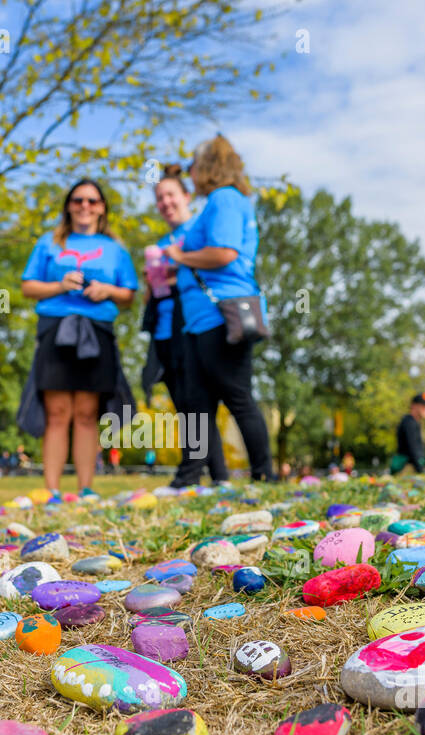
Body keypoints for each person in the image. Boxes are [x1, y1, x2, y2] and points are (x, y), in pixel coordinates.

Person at [19, 179, 138, 503]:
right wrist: (59, 285)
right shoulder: (48, 243)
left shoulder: (116, 249)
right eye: (78, 200)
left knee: (87, 413)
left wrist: (107, 291)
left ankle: (86, 490)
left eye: (92, 201)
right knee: (57, 412)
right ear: (68, 206)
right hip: (56, 329)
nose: (85, 206)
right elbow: (27, 287)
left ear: (102, 208)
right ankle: (52, 491)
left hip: (97, 331)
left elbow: (129, 294)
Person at [164, 136, 275, 482]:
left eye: (193, 168)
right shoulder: (217, 201)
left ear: (207, 167)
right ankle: (192, 478)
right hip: (199, 321)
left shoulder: (224, 198)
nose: (190, 176)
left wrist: (181, 257)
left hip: (221, 315)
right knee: (197, 404)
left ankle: (263, 476)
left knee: (237, 395)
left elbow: (224, 253)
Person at [139, 164, 229, 488]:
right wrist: (152, 283)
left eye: (170, 194)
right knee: (186, 406)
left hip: (192, 324)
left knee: (199, 403)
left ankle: (205, 477)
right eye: (159, 197)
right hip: (163, 332)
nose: (165, 202)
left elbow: (215, 265)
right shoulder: (160, 242)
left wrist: (178, 270)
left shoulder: (198, 230)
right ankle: (218, 478)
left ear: (186, 196)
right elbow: (154, 292)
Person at [391, 393, 425, 474]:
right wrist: (421, 470)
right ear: (413, 406)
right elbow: (413, 450)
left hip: (412, 467)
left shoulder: (414, 422)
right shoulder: (409, 423)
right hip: (408, 468)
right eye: (423, 406)